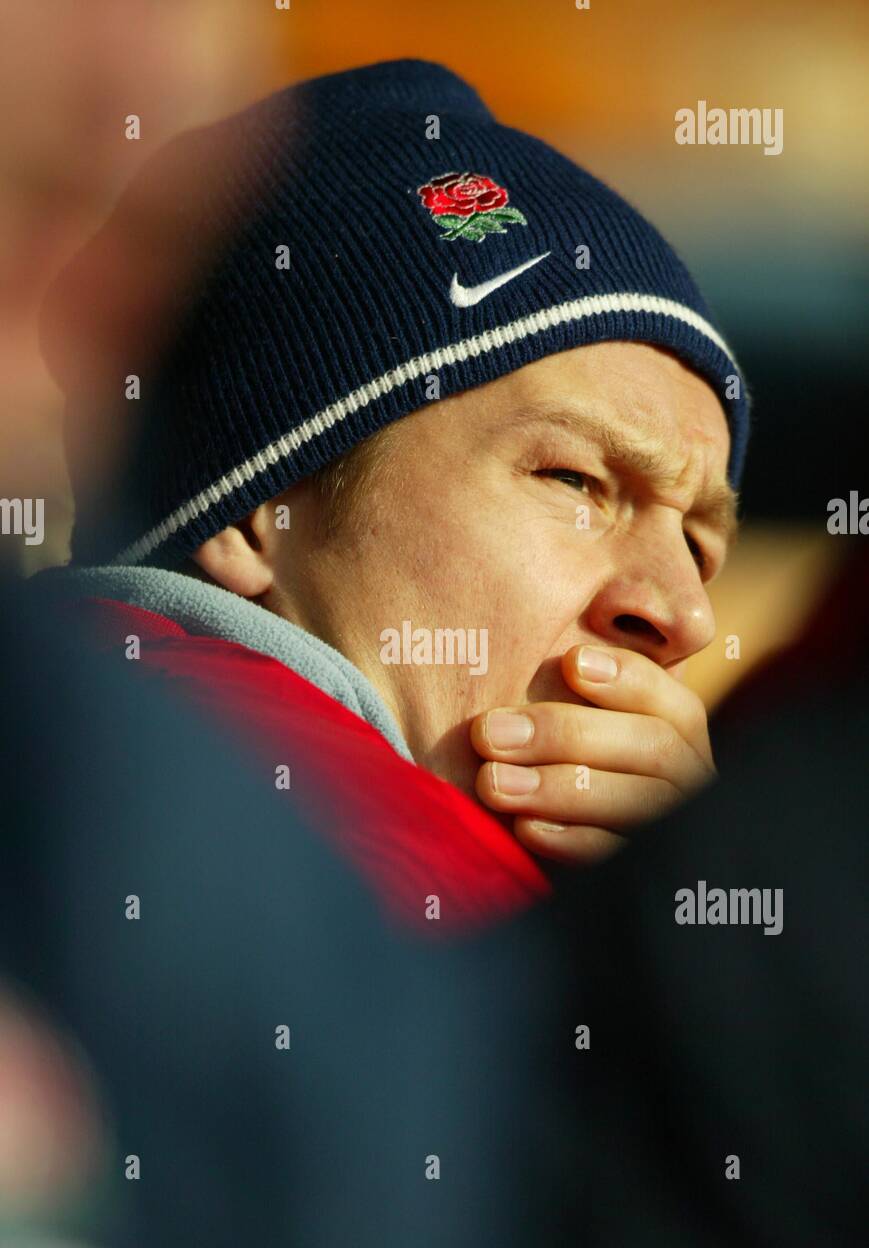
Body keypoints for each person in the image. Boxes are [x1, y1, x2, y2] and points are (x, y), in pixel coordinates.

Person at [37, 58, 749, 925]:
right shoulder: (370, 879)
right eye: (574, 480)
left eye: (700, 545)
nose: (683, 614)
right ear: (259, 514)